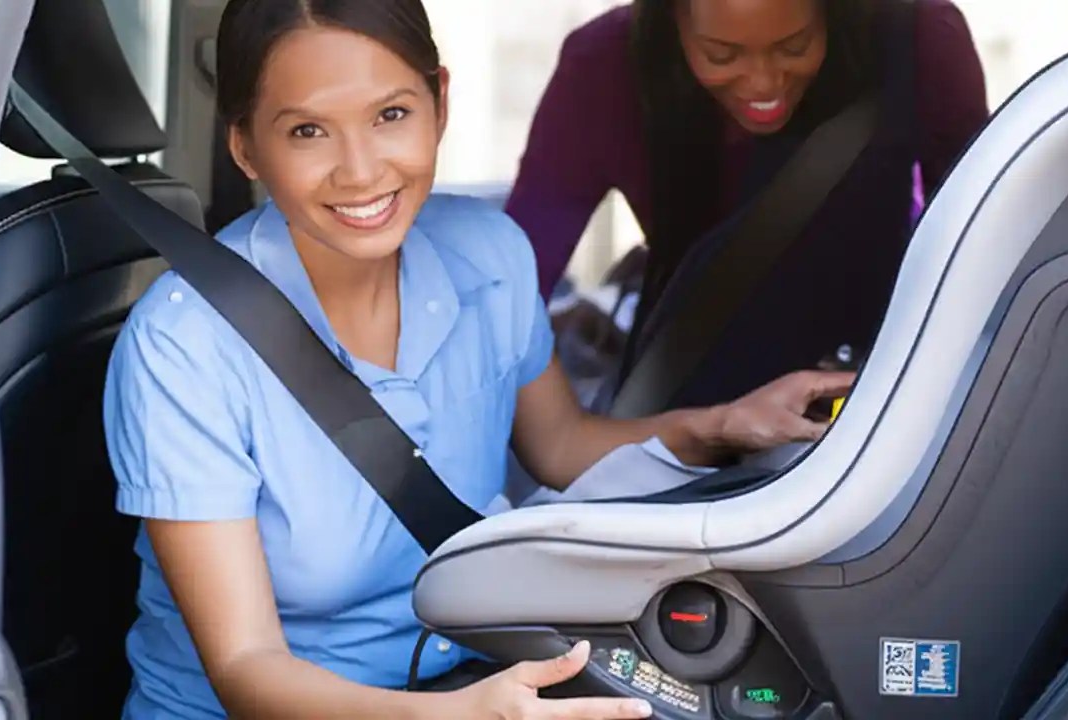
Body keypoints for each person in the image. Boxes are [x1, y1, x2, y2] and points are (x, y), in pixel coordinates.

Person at [102, 1, 855, 718]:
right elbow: (246, 673)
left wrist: (728, 424)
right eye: (307, 131)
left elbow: (561, 448)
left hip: (480, 673)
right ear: (246, 148)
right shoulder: (183, 345)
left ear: (440, 102)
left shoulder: (489, 256)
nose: (360, 170)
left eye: (391, 115)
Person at [506, 0, 990, 413]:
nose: (763, 85)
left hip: (872, 404)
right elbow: (509, 287)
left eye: (794, 46)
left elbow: (983, 253)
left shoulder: (918, 36)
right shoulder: (602, 66)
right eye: (721, 54)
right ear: (671, 18)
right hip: (686, 412)